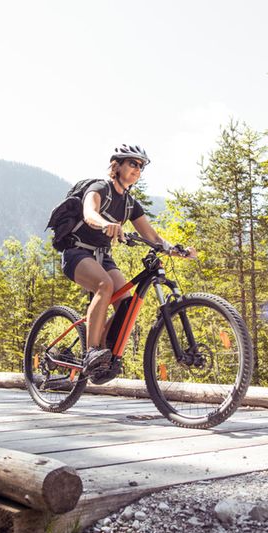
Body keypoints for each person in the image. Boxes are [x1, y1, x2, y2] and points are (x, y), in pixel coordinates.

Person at [61, 144, 197, 373]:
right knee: (105, 285)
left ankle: (103, 354)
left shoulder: (130, 204)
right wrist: (106, 224)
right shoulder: (99, 188)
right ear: (117, 166)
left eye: (141, 166)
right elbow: (89, 213)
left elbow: (152, 236)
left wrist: (176, 251)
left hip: (102, 258)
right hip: (77, 252)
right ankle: (92, 351)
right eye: (133, 163)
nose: (137, 169)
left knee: (126, 301)